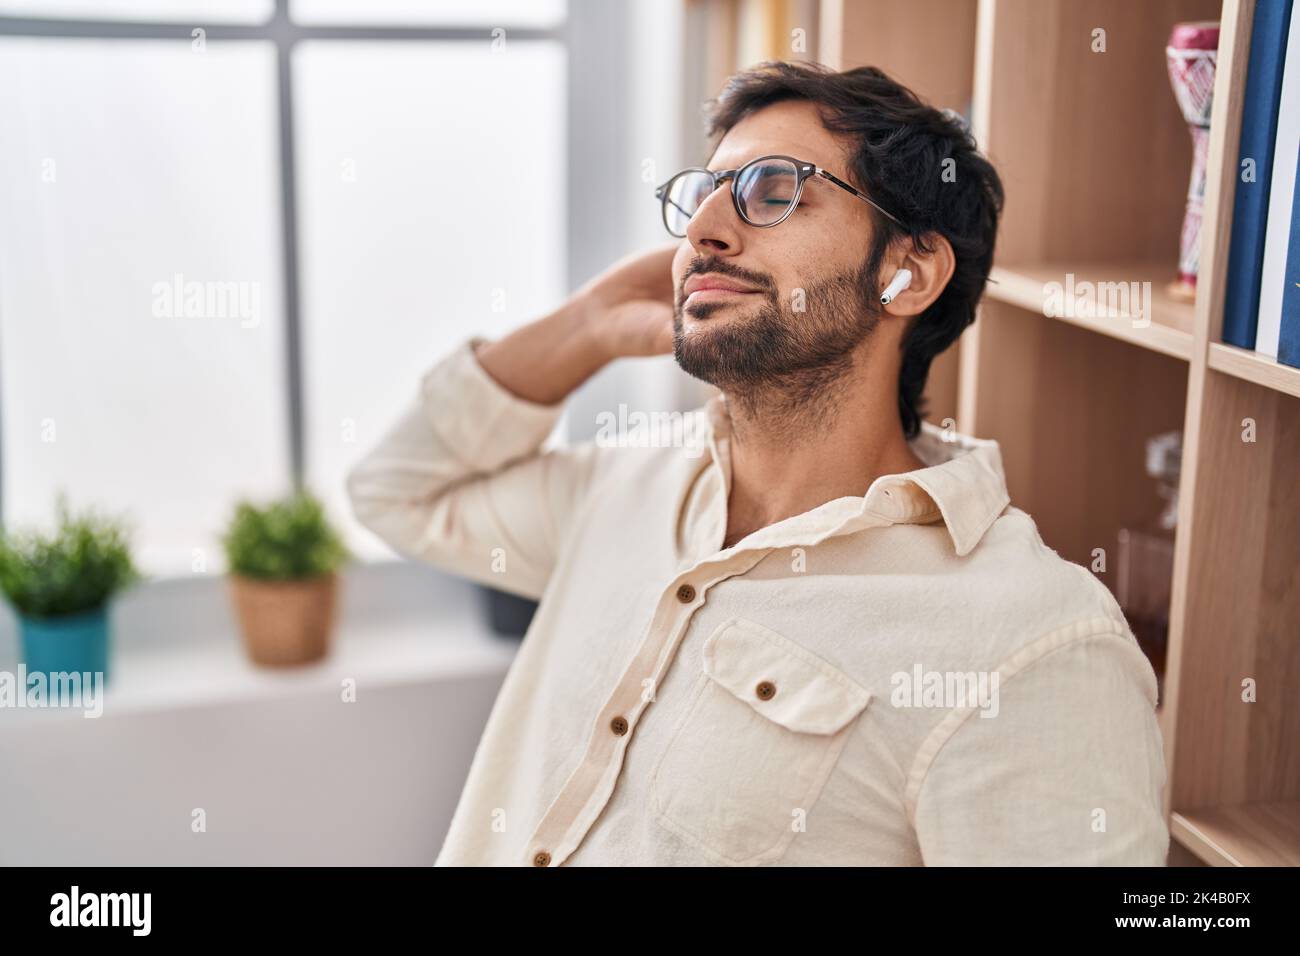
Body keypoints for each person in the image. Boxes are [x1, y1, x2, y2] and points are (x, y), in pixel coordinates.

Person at [347, 61, 1169, 866]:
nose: (703, 230)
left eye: (773, 191)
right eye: (701, 196)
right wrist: (591, 322)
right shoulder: (624, 488)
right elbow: (396, 493)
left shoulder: (1036, 642)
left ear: (908, 272)